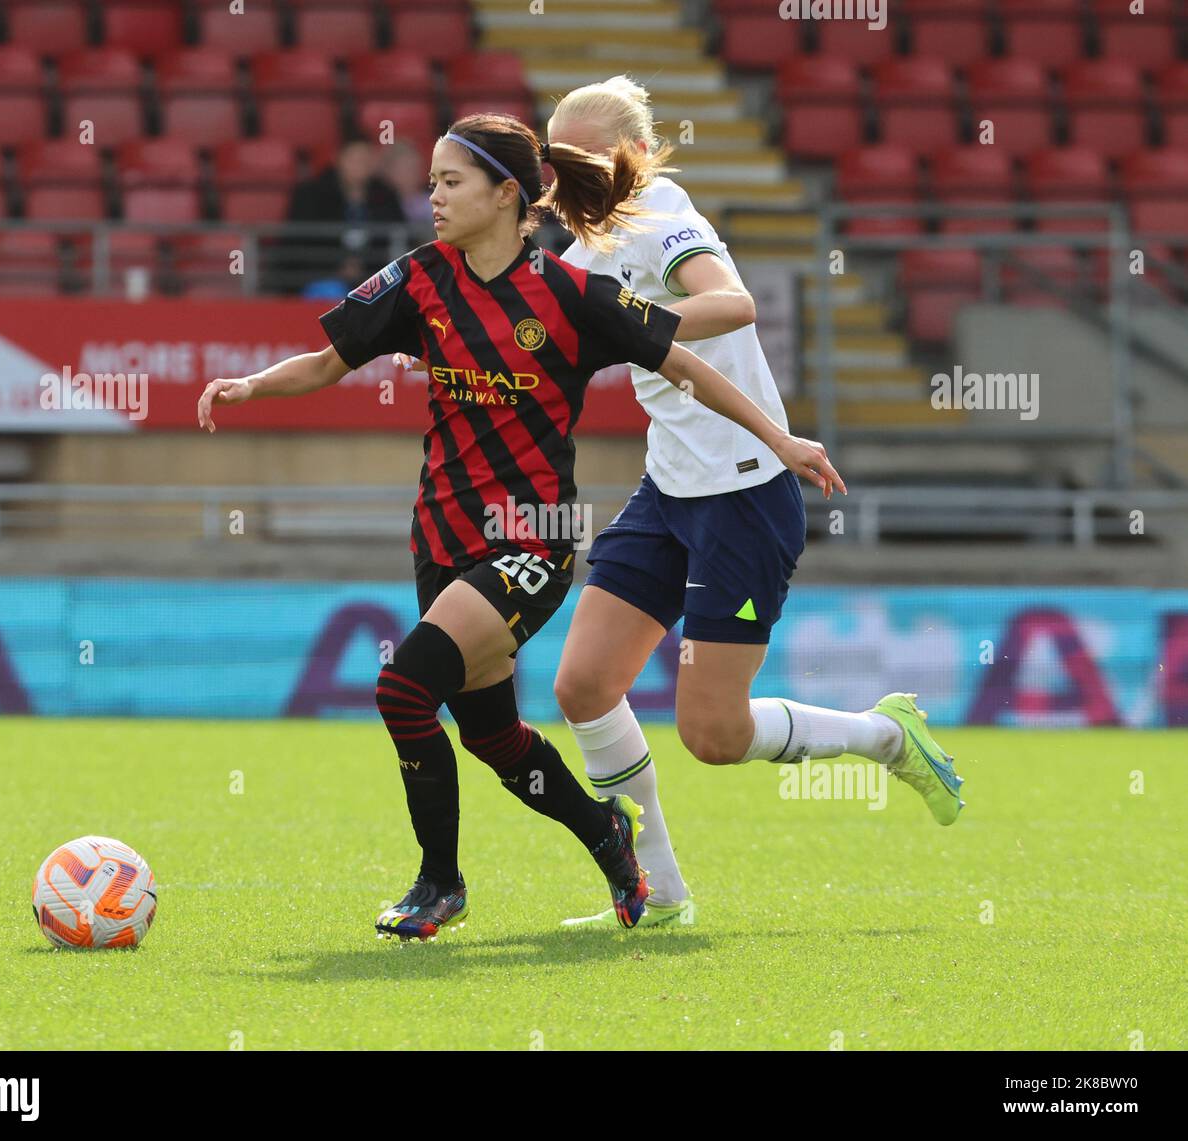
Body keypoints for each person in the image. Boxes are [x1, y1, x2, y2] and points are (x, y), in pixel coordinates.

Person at [196, 113, 844, 941]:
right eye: (429, 182)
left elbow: (684, 363)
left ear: (508, 194)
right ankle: (609, 835)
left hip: (530, 541)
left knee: (402, 688)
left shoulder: (571, 295)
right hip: (441, 536)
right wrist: (251, 385)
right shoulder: (419, 280)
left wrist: (782, 440)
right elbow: (329, 362)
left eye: (449, 181)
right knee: (495, 736)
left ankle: (439, 885)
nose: (431, 196)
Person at [546, 77, 967, 930]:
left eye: (582, 161)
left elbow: (731, 301)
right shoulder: (588, 243)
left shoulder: (663, 218)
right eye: (556, 161)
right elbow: (540, 322)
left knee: (713, 734)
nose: (565, 179)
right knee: (584, 683)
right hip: (669, 490)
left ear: (630, 161)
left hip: (742, 494)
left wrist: (633, 318)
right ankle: (656, 891)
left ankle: (886, 737)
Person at [277, 139, 405, 293]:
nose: (360, 166)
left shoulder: (386, 196)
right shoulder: (310, 194)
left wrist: (365, 267)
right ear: (338, 160)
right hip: (321, 276)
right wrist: (337, 267)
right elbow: (298, 244)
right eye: (354, 160)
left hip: (375, 276)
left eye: (365, 160)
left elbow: (398, 237)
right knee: (332, 292)